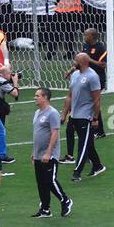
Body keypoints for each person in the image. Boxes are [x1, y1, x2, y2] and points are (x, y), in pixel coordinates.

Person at [62, 52, 106, 182]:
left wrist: (95, 118)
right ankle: (98, 166)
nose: (74, 62)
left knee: (83, 144)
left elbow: (97, 99)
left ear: (82, 62)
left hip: (86, 116)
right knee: (88, 143)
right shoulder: (75, 74)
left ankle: (77, 172)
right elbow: (70, 95)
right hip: (74, 115)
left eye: (76, 60)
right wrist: (64, 113)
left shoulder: (92, 76)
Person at [30, 87, 72, 218]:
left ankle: (65, 200)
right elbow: (37, 134)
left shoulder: (52, 113)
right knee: (41, 182)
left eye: (37, 95)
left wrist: (48, 153)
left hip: (49, 154)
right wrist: (34, 152)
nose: (35, 98)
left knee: (50, 180)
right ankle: (45, 209)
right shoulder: (37, 112)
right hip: (38, 154)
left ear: (45, 97)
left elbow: (55, 133)